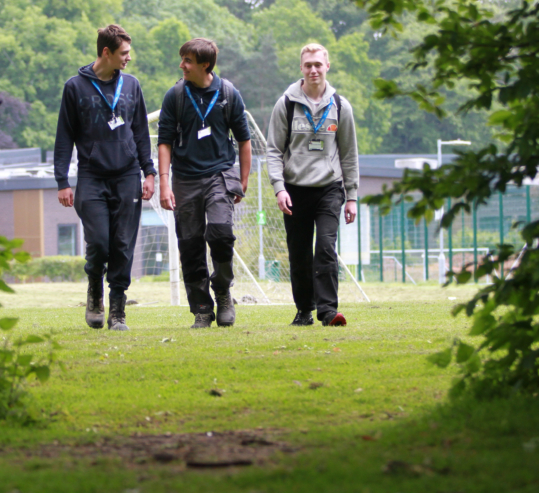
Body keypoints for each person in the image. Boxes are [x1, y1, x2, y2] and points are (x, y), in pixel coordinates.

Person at [54, 25, 156, 331]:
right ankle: (94, 292)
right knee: (98, 242)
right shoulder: (75, 87)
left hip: (127, 175)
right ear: (106, 52)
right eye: (123, 53)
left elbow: (140, 132)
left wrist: (148, 172)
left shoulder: (132, 85)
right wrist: (62, 180)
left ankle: (118, 310)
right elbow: (64, 136)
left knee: (123, 243)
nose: (128, 59)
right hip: (92, 176)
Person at [157, 38, 252, 329]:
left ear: (204, 65)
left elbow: (244, 140)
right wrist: (164, 183)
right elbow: (164, 142)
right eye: (181, 59)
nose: (181, 65)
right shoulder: (175, 96)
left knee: (221, 234)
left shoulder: (228, 93)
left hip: (220, 175)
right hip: (184, 179)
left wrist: (244, 180)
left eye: (187, 60)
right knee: (190, 245)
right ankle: (201, 308)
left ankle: (223, 292)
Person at [265, 43, 359, 327]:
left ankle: (329, 312)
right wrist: (279, 188)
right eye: (308, 65)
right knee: (300, 253)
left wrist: (352, 195)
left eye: (318, 64)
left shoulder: (341, 106)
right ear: (301, 68)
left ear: (327, 66)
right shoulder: (286, 103)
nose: (314, 69)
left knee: (326, 248)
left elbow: (349, 154)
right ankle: (304, 309)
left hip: (330, 189)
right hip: (294, 189)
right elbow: (273, 151)